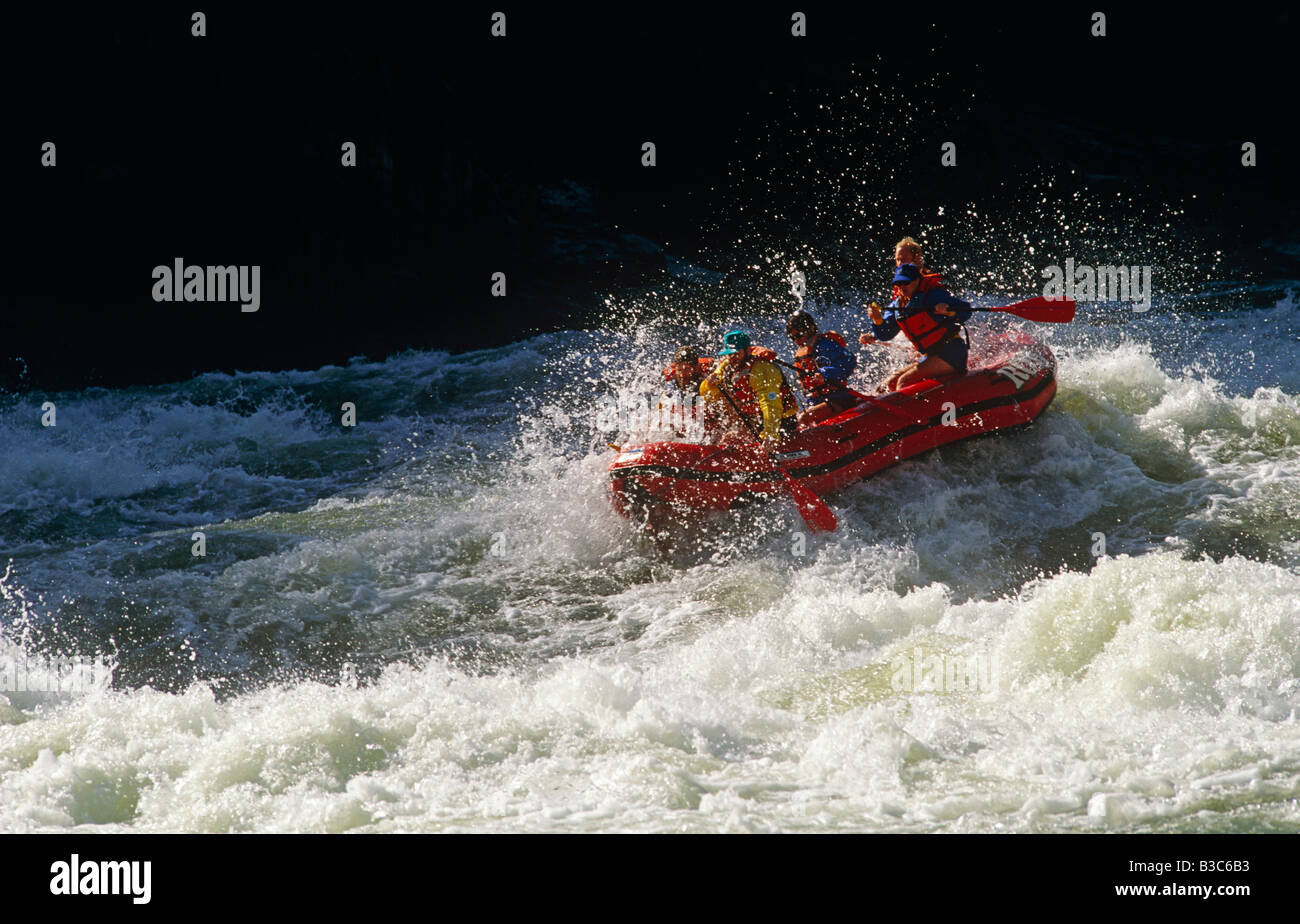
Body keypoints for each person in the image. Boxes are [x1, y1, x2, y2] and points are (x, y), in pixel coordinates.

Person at [867, 263, 973, 391]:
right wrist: (877, 319)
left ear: (917, 280)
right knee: (889, 385)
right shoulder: (897, 305)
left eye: (906, 283)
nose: (902, 287)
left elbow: (966, 310)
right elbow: (885, 335)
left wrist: (949, 311)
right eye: (898, 283)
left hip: (952, 352)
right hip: (930, 356)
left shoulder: (933, 295)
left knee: (904, 382)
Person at [699, 330, 799, 445]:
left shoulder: (762, 369)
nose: (732, 357)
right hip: (754, 419)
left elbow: (771, 406)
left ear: (747, 350)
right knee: (718, 433)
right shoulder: (726, 366)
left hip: (781, 422)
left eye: (736, 353)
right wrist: (708, 385)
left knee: (729, 439)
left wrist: (770, 435)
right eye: (729, 354)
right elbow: (705, 395)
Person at [861, 236, 947, 347]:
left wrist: (948, 310)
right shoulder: (901, 296)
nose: (900, 264)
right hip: (924, 349)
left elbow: (962, 312)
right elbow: (886, 333)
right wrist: (877, 320)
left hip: (944, 347)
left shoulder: (932, 290)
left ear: (917, 259)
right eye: (898, 260)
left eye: (904, 258)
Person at [785, 310, 858, 426]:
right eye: (792, 337)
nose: (796, 340)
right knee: (798, 422)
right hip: (816, 401)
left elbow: (849, 362)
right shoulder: (802, 353)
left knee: (804, 418)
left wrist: (825, 373)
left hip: (838, 398)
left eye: (798, 335)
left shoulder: (825, 345)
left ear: (809, 330)